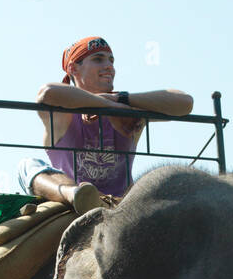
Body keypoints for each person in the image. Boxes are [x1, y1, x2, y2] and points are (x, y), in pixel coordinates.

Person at [18, 36, 194, 213]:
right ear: (73, 68)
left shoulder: (126, 108)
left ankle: (88, 198)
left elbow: (185, 102)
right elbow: (47, 92)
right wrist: (108, 105)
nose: (109, 66)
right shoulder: (63, 113)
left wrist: (120, 98)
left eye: (111, 60)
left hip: (121, 202)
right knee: (28, 165)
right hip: (71, 197)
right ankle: (75, 194)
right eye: (98, 59)